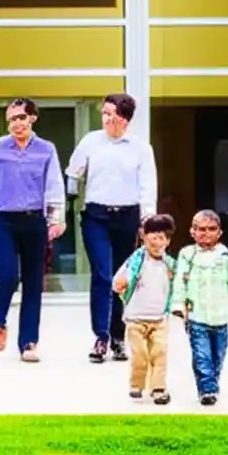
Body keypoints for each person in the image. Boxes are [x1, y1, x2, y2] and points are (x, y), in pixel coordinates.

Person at [64, 92, 158, 364]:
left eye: (111, 114)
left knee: (121, 278)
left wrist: (147, 220)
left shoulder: (140, 148)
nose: (106, 119)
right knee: (103, 274)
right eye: (103, 113)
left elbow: (147, 186)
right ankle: (101, 336)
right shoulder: (91, 141)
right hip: (96, 216)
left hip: (127, 217)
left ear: (125, 119)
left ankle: (118, 336)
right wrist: (69, 202)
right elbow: (73, 172)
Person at [0, 98, 66, 363]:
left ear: (32, 119)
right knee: (8, 276)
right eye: (12, 119)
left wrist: (55, 220)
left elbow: (54, 186)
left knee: (34, 283)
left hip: (34, 220)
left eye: (21, 118)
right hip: (2, 220)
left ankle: (28, 342)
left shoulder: (46, 150)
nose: (17, 124)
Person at [171, 209, 228, 406]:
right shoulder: (187, 255)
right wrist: (178, 305)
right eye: (201, 229)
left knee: (217, 355)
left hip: (220, 315)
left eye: (211, 229)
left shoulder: (227, 257)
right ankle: (207, 390)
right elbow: (180, 281)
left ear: (219, 232)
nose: (206, 233)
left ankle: (212, 382)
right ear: (192, 231)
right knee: (201, 354)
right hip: (196, 315)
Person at [112, 214, 176, 405]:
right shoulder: (136, 261)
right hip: (136, 319)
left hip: (159, 318)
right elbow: (119, 280)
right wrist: (121, 283)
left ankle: (158, 388)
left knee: (160, 353)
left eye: (162, 237)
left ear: (168, 240)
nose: (157, 241)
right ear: (144, 236)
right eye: (153, 236)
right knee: (140, 354)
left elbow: (178, 284)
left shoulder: (170, 264)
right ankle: (137, 384)